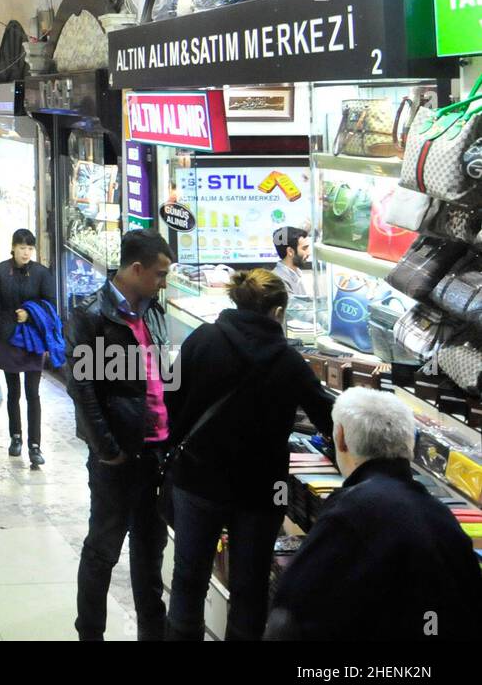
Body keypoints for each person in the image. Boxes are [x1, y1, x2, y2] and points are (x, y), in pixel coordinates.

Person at [163, 269, 335, 642]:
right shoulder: (290, 362)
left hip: (198, 481)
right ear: (276, 313)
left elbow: (170, 402)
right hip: (260, 492)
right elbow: (328, 419)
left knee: (189, 578)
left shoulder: (202, 340)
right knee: (250, 587)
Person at [265, 388, 482, 641]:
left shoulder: (347, 515)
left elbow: (292, 614)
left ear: (340, 437)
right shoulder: (443, 518)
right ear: (410, 442)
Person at [67, 229, 173, 642]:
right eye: (160, 274)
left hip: (156, 454)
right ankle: (90, 633)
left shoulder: (154, 311)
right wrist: (108, 450)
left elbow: (164, 377)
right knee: (103, 549)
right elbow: (83, 389)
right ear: (136, 269)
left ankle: (153, 633)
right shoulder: (91, 315)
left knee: (150, 553)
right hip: (118, 458)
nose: (163, 282)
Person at [0, 229, 56, 468]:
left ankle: (35, 445)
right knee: (13, 392)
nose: (26, 252)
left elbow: (50, 306)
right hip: (8, 336)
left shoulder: (42, 273)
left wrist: (30, 313)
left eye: (30, 248)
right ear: (13, 247)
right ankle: (16, 437)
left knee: (32, 393)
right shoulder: (1, 270)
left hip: (33, 340)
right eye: (22, 247)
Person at [271, 227, 311, 297]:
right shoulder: (278, 281)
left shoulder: (296, 274)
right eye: (304, 248)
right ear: (290, 251)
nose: (308, 253)